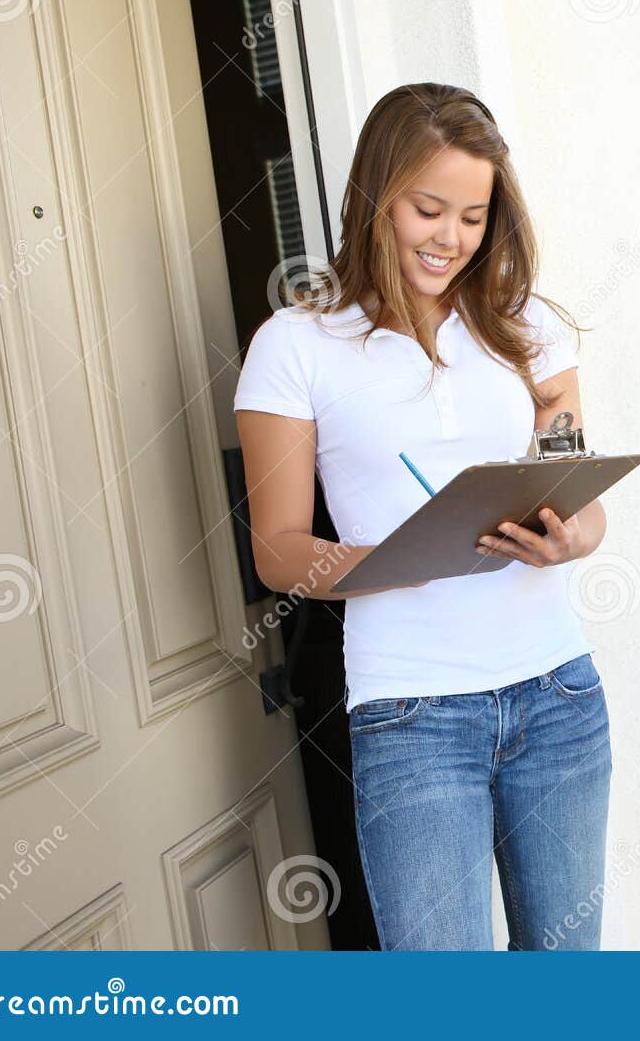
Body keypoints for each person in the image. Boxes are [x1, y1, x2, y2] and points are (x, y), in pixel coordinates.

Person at [233, 83, 611, 950]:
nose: (450, 239)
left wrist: (568, 537)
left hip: (557, 692)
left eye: (473, 217)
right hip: (412, 712)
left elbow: (579, 504)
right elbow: (279, 551)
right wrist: (396, 557)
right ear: (376, 198)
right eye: (427, 209)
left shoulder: (530, 330)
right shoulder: (296, 344)